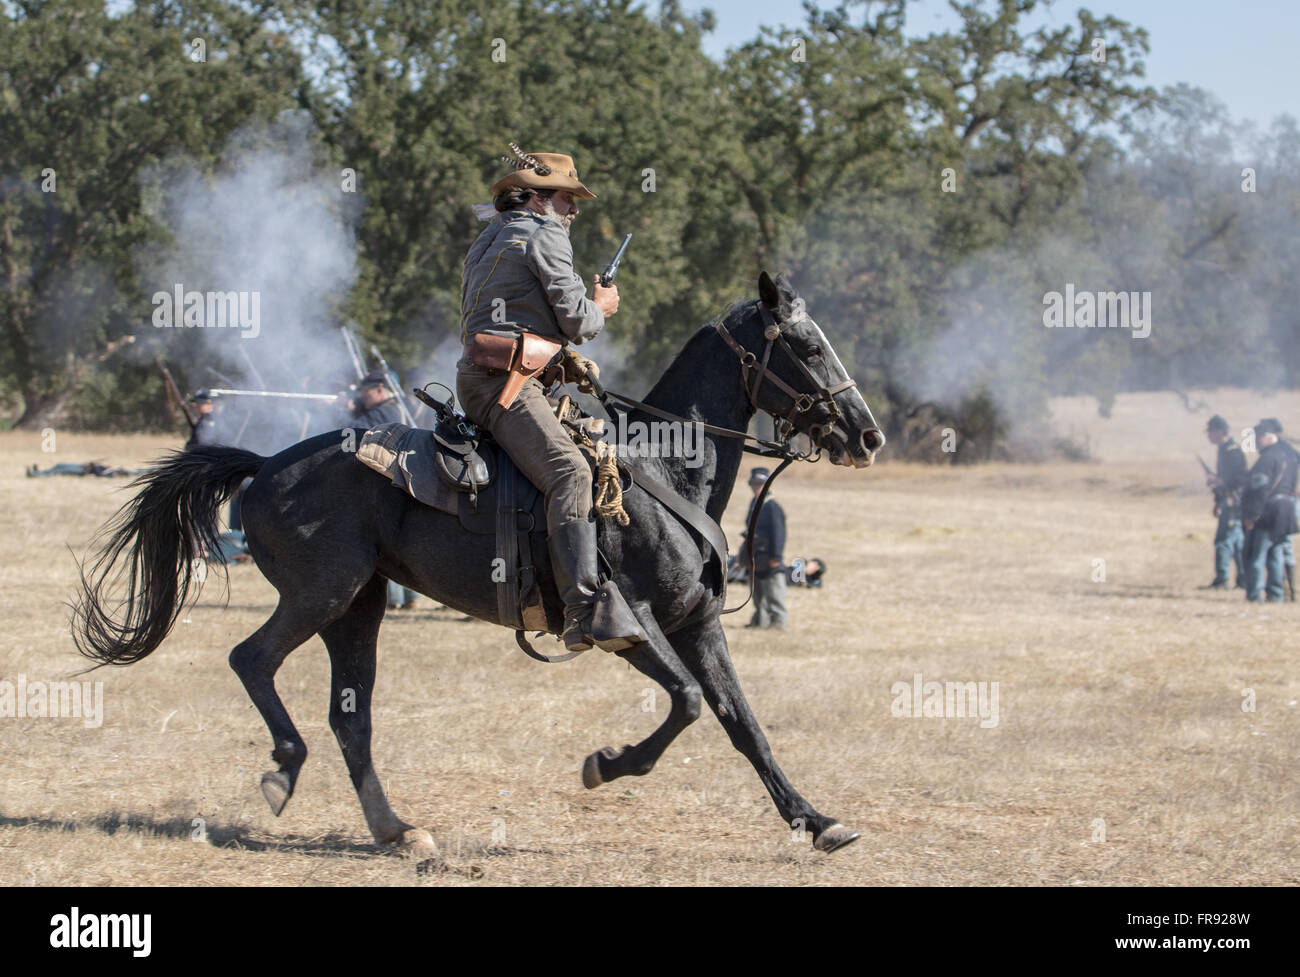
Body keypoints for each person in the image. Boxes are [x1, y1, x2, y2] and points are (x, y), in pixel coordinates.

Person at [455, 144, 643, 653]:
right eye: (567, 199)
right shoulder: (544, 234)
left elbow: (509, 316)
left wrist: (552, 358)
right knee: (572, 473)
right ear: (539, 199)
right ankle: (581, 610)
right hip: (504, 384)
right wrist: (602, 305)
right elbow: (578, 320)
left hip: (496, 375)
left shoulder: (491, 233)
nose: (574, 210)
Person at [1241, 418, 1300, 602]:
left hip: (1268, 510)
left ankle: (1255, 595)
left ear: (1267, 437)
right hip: (1286, 510)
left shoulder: (1267, 459)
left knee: (1257, 555)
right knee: (1276, 553)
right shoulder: (1290, 455)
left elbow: (1259, 489)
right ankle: (1276, 594)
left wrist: (1252, 514)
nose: (1256, 442)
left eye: (1258, 438)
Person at [1200, 415, 1247, 590]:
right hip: (1226, 501)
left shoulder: (1232, 451)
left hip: (1233, 502)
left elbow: (1240, 479)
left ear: (1219, 432)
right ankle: (1243, 578)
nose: (1209, 436)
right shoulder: (1224, 450)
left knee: (1224, 541)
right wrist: (1217, 501)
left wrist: (1218, 480)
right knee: (1235, 542)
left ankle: (1222, 579)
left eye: (1210, 432)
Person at [740, 467, 787, 629]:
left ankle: (778, 622)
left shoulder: (772, 506)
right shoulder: (754, 503)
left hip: (768, 555)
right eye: (754, 483)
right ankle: (760, 621)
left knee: (774, 591)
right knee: (758, 592)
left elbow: (779, 533)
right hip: (755, 555)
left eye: (760, 483)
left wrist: (776, 557)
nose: (756, 487)